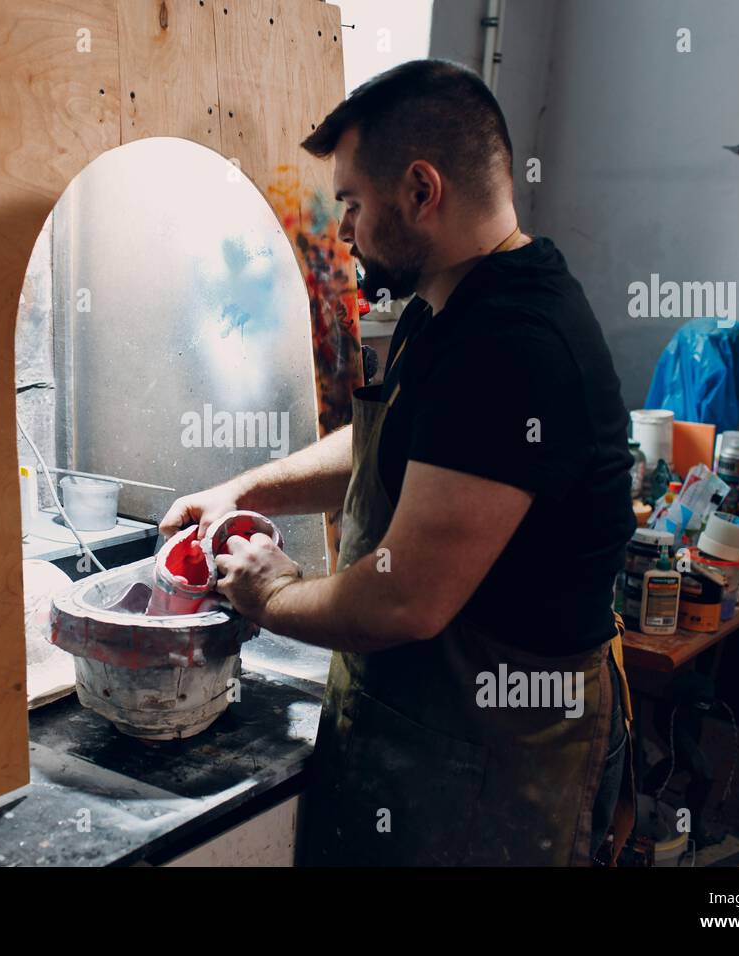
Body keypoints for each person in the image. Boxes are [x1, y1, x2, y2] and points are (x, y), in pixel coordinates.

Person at [160, 59, 635, 866]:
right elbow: (398, 442)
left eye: (350, 203)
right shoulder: (448, 304)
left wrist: (271, 592)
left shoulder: (514, 346)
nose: (342, 231)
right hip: (424, 731)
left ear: (421, 190)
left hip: (494, 759)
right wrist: (244, 488)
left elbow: (406, 600)